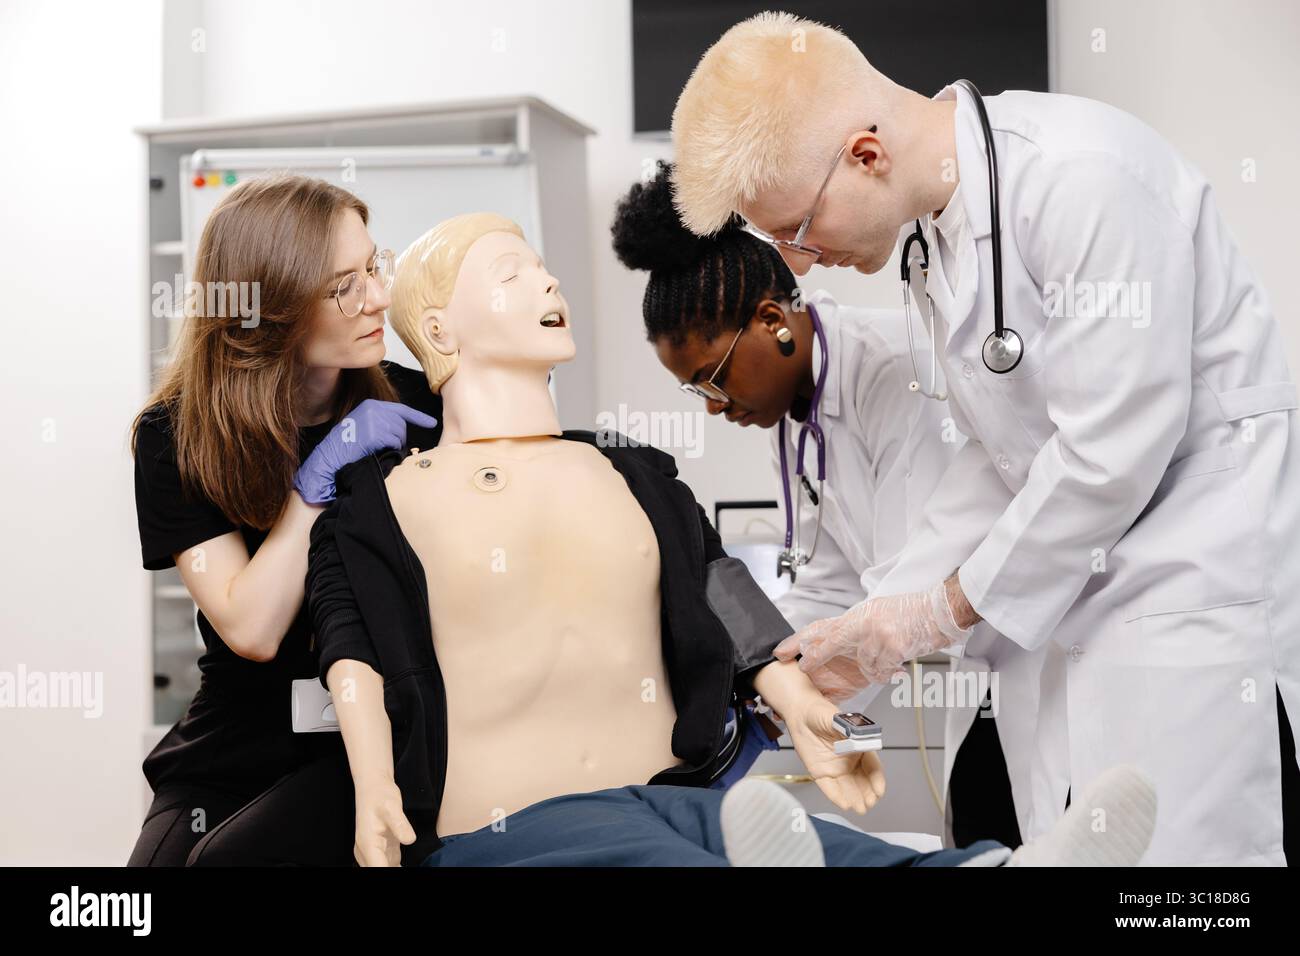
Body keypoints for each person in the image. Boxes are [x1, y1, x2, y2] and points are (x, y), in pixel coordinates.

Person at [308, 210, 1157, 868]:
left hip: (669, 792)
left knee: (832, 851)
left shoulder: (634, 470)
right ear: (441, 331)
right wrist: (375, 787)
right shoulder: (375, 499)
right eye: (511, 272)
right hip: (508, 821)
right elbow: (352, 653)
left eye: (541, 265)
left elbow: (728, 599)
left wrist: (809, 711)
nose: (546, 281)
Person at [668, 11, 1299, 864]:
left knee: (1190, 881)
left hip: (1193, 593)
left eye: (797, 229)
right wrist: (883, 620)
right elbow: (998, 456)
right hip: (1085, 618)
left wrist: (935, 612)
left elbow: (1110, 452)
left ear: (865, 153)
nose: (801, 262)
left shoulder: (1086, 178)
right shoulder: (935, 242)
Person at [611, 161, 1023, 847]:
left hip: (1011, 648)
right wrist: (759, 685)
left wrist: (791, 694)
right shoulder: (798, 413)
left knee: (1008, 831)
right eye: (696, 394)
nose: (714, 408)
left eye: (712, 380)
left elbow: (907, 579)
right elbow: (826, 579)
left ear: (772, 320)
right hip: (975, 671)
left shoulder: (894, 371)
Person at [128, 173, 440, 866]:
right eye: (343, 285)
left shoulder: (420, 404)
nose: (379, 298)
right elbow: (251, 628)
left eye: (373, 267)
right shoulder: (176, 435)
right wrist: (319, 480)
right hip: (239, 737)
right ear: (270, 306)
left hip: (380, 729)